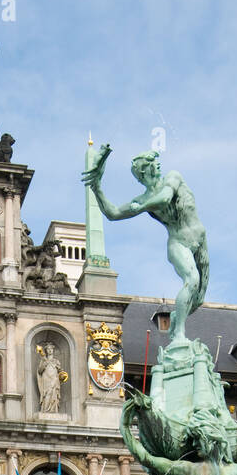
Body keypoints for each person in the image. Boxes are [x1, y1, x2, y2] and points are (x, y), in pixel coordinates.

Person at [83, 145, 209, 345]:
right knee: (192, 279)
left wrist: (142, 207)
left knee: (199, 298)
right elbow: (113, 214)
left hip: (200, 240)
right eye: (153, 163)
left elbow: (166, 196)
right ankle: (179, 335)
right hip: (178, 242)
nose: (158, 165)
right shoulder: (143, 198)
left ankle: (177, 319)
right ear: (145, 171)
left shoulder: (172, 178)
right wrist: (96, 187)